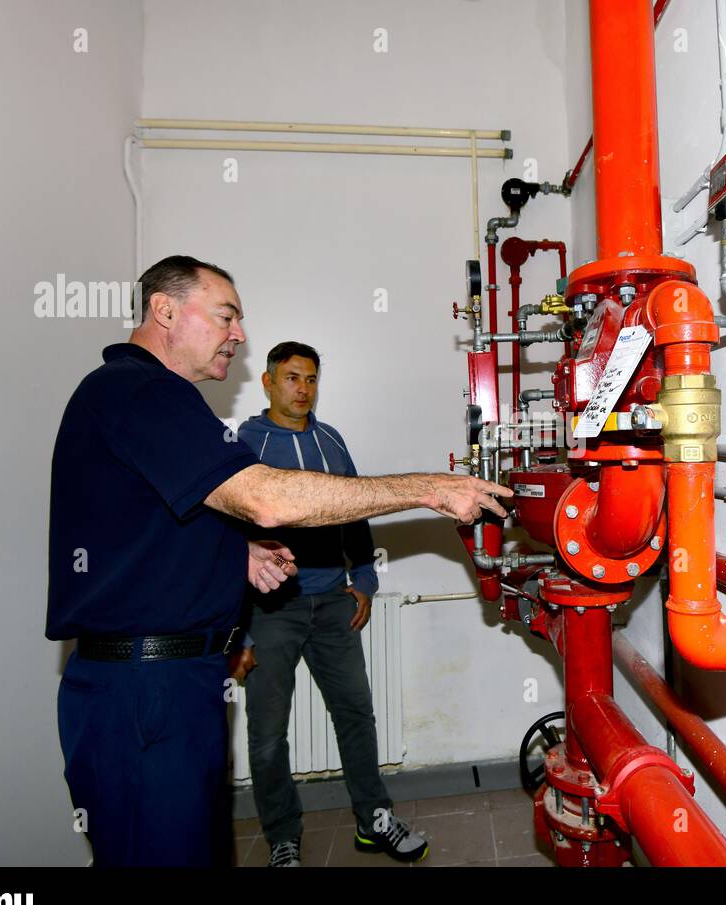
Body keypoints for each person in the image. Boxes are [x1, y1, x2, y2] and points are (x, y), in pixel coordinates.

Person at [46, 255, 510, 867]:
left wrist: (235, 553)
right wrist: (430, 488)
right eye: (226, 315)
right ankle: (284, 837)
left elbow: (151, 522)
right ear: (165, 310)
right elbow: (265, 500)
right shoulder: (141, 390)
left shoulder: (154, 398)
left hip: (169, 678)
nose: (238, 333)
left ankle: (371, 815)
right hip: (143, 689)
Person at [235, 341, 425, 866]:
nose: (303, 389)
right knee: (268, 734)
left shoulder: (331, 440)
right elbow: (225, 533)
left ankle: (373, 818)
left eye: (311, 379)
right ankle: (283, 838)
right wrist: (239, 632)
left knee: (356, 714)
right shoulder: (245, 444)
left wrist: (363, 579)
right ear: (268, 382)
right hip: (270, 611)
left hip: (333, 605)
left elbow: (355, 512)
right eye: (292, 378)